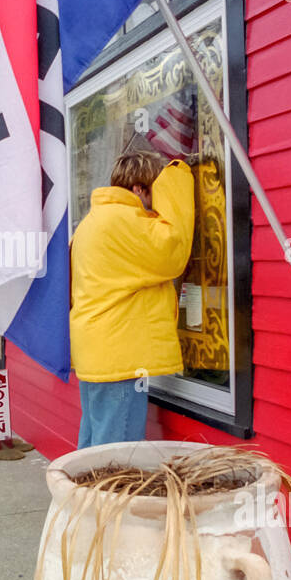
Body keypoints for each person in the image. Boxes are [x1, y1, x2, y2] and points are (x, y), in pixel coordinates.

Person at [69, 150, 195, 449]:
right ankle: (109, 498)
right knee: (118, 452)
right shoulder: (124, 220)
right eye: (155, 193)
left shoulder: (93, 220)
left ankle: (82, 496)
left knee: (93, 443)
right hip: (119, 355)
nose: (154, 205)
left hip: (97, 350)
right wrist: (176, 175)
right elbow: (172, 253)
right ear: (139, 189)